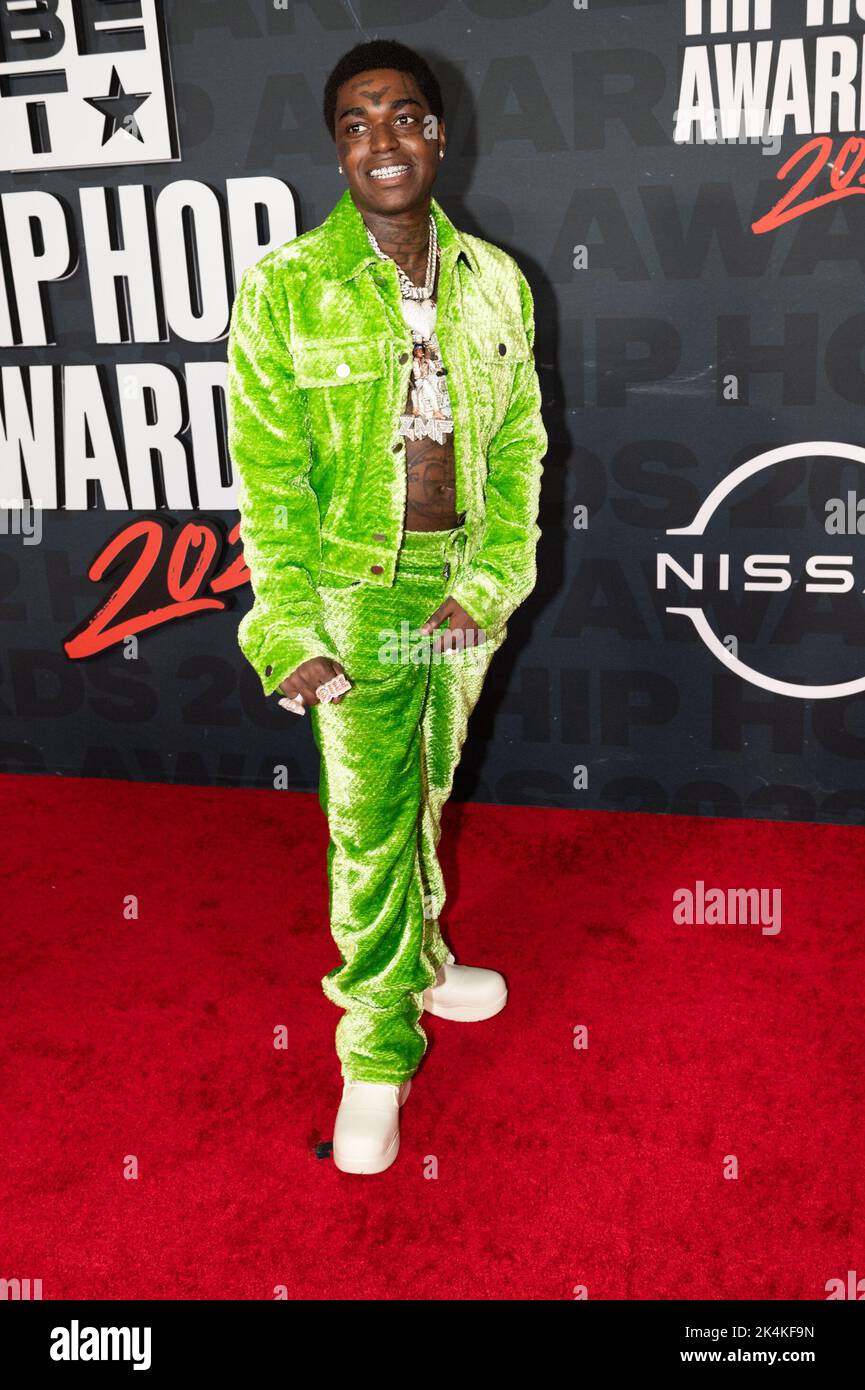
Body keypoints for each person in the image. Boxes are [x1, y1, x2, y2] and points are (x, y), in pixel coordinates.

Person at [227, 39, 547, 1174]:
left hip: (457, 590)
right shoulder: (283, 288)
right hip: (354, 594)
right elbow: (266, 482)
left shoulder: (496, 281)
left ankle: (422, 959)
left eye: (402, 117)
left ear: (439, 135)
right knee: (365, 827)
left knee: (429, 782)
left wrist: (488, 583)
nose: (382, 142)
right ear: (336, 148)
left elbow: (515, 449)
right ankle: (375, 1046)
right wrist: (290, 629)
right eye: (356, 124)